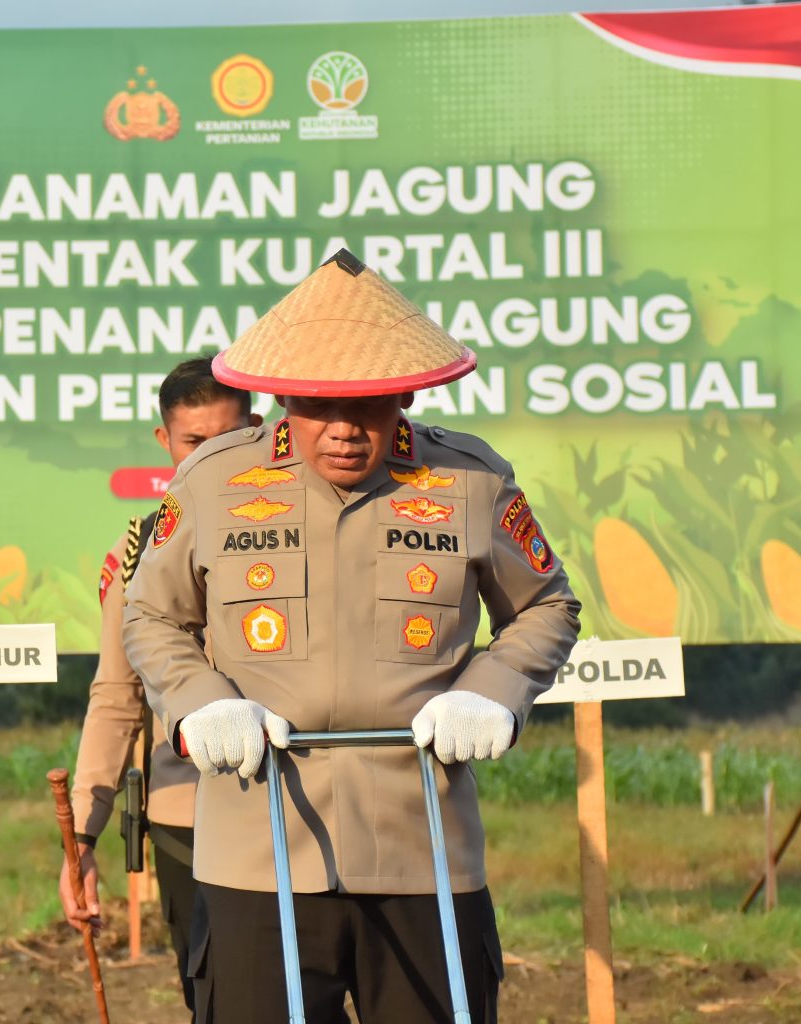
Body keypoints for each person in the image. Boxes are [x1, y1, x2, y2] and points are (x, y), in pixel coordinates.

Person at [121, 249, 581, 1023]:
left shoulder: (469, 480)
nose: (341, 431)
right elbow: (151, 614)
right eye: (315, 406)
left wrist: (491, 693)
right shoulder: (213, 482)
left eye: (367, 407)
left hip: (422, 848)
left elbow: (547, 605)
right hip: (255, 852)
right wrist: (200, 702)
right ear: (279, 398)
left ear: (403, 393)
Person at [59, 358, 257, 1015]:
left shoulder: (301, 532)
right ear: (164, 443)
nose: (210, 459)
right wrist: (83, 836)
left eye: (228, 440)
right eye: (194, 443)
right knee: (216, 998)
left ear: (258, 430)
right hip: (186, 817)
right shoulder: (142, 549)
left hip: (299, 808)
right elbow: (117, 695)